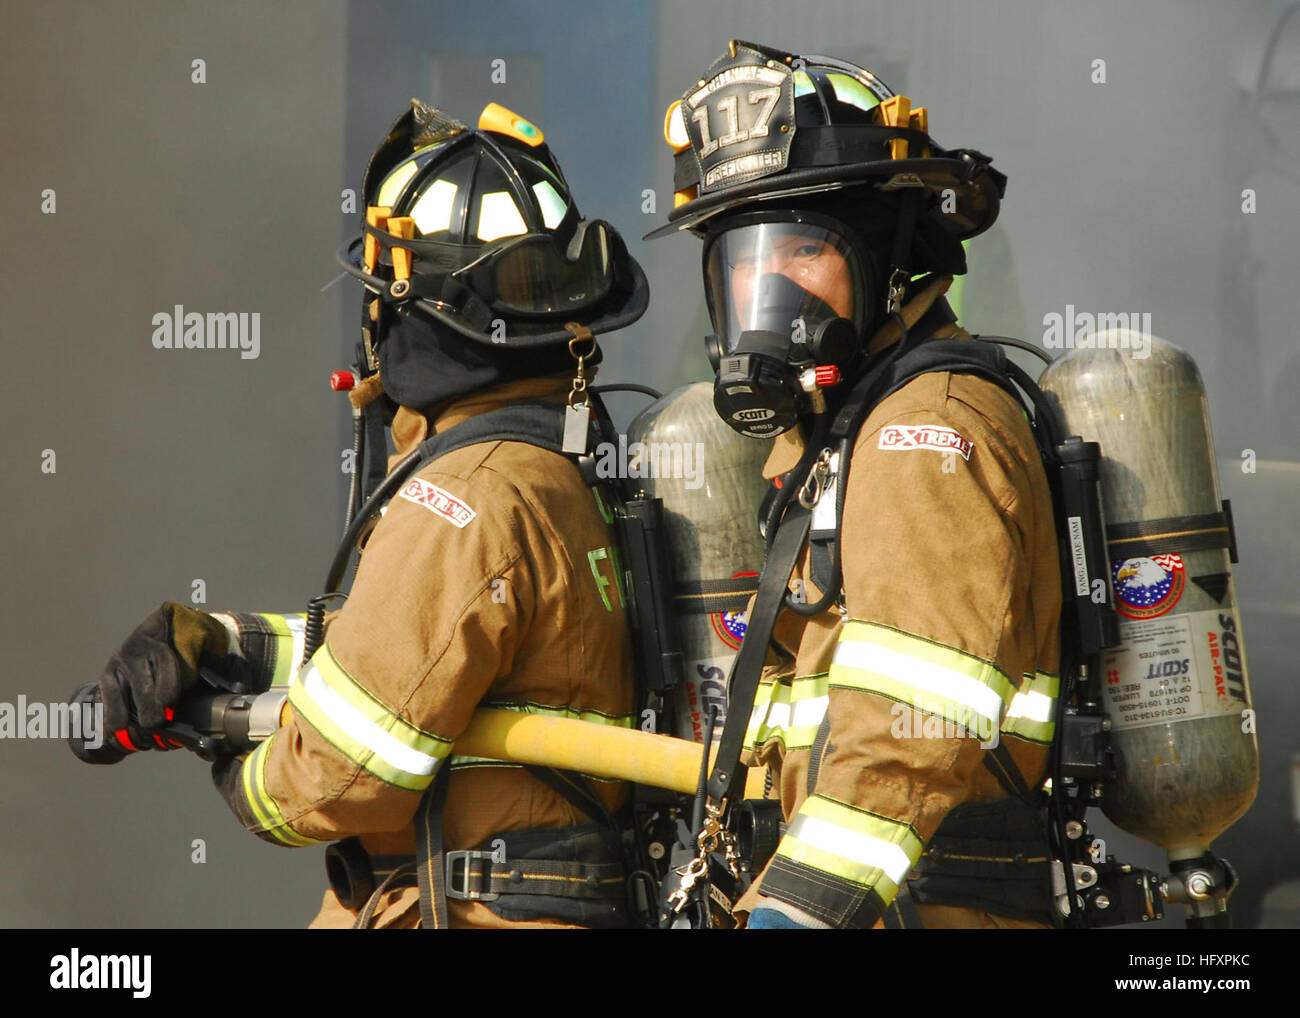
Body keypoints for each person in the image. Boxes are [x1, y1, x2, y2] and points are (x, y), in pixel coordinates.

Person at [92, 99, 649, 929]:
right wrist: (225, 645)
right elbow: (416, 651)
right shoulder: (557, 464)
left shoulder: (467, 497)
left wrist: (226, 755)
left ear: (406, 306)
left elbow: (345, 771)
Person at [649, 41, 1063, 929]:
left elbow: (915, 729)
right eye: (742, 262)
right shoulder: (843, 438)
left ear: (887, 258)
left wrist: (790, 917)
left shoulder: (925, 432)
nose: (768, 290)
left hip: (922, 900)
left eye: (802, 251)